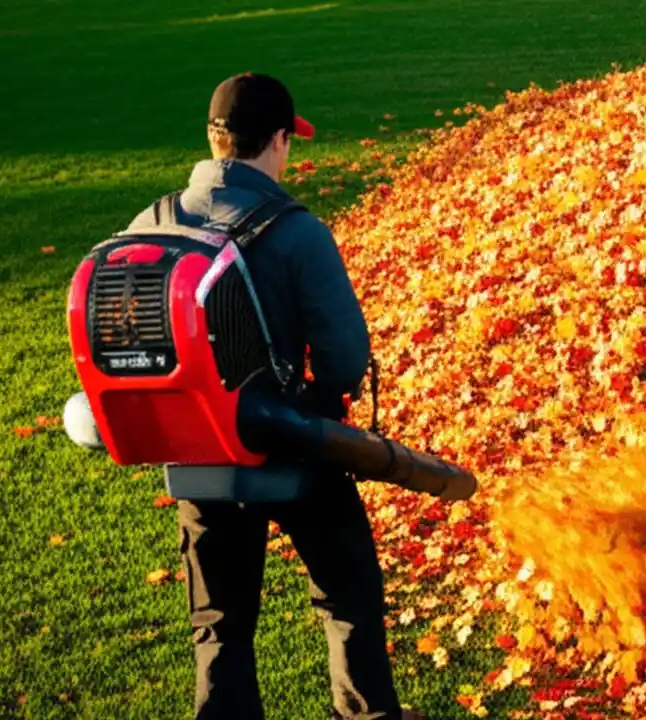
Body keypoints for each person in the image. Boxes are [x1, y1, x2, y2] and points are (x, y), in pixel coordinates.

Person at [122, 72, 419, 720]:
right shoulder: (296, 231)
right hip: (294, 449)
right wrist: (315, 399)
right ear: (280, 140)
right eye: (291, 143)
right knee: (349, 595)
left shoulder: (154, 220)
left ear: (213, 138)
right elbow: (343, 359)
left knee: (221, 625)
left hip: (198, 452)